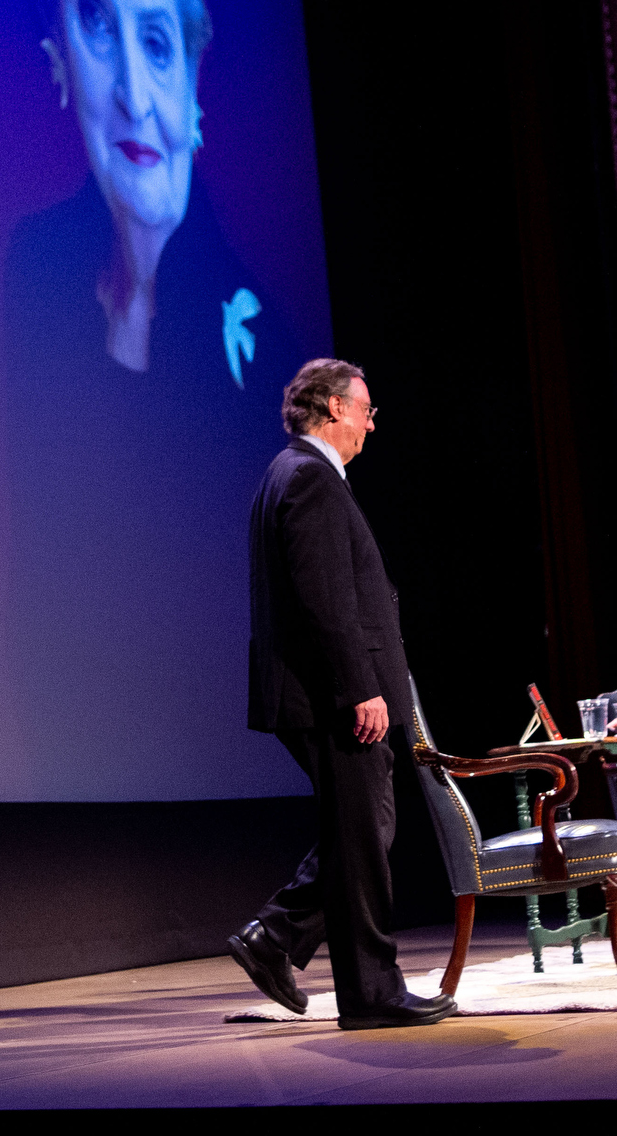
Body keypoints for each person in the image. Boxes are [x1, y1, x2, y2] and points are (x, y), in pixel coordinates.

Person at [3, 0, 299, 768]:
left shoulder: (259, 318)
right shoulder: (34, 269)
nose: (132, 90)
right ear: (55, 45)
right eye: (93, 18)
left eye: (159, 40)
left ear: (194, 67)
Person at [225, 360, 456, 1029]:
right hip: (332, 696)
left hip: (318, 692)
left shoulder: (289, 473)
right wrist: (360, 687)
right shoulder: (310, 478)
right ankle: (370, 992)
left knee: (360, 831)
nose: (372, 422)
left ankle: (277, 935)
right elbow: (325, 597)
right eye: (366, 408)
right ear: (332, 408)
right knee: (362, 835)